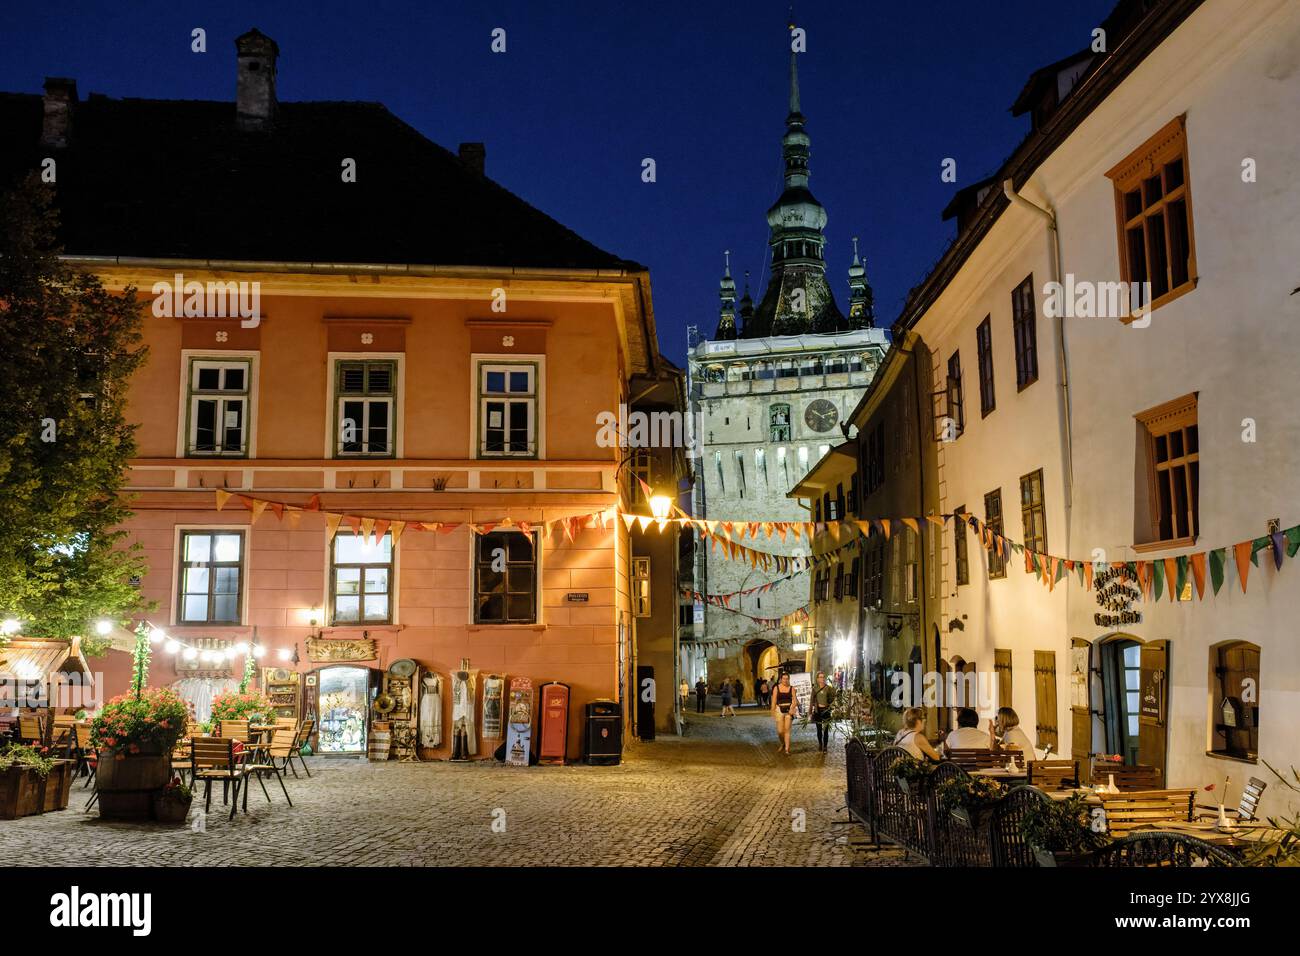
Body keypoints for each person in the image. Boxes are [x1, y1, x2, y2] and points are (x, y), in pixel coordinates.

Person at [772, 672, 799, 754]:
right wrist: (772, 711)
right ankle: (782, 743)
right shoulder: (776, 688)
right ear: (781, 679)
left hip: (788, 711)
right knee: (780, 731)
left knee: (787, 730)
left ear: (789, 679)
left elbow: (795, 700)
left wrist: (792, 708)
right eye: (784, 678)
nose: (785, 680)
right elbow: (773, 701)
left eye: (787, 679)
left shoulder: (792, 688)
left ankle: (787, 749)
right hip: (779, 710)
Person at [810, 671, 836, 752]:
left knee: (826, 730)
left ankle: (825, 746)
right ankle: (820, 744)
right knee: (819, 730)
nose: (822, 678)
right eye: (820, 677)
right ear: (817, 679)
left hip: (826, 711)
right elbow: (812, 700)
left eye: (823, 677)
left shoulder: (828, 688)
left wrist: (830, 704)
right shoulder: (815, 688)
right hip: (818, 711)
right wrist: (810, 711)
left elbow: (832, 698)